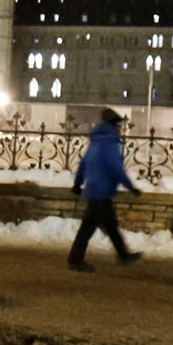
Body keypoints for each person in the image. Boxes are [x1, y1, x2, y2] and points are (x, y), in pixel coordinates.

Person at [67, 108, 143, 272]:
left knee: (110, 225)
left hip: (96, 190)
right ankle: (75, 259)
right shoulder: (110, 143)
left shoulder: (96, 141)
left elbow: (83, 164)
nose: (120, 129)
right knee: (88, 228)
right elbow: (116, 169)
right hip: (101, 192)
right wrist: (131, 188)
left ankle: (123, 254)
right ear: (113, 126)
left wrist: (77, 184)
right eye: (119, 125)